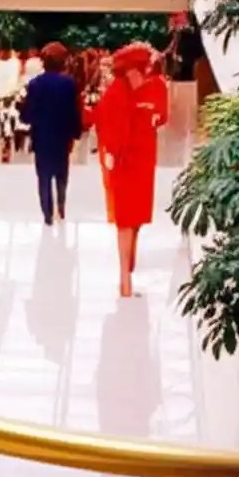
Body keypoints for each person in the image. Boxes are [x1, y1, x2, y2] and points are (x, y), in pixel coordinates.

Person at [93, 43, 167, 298]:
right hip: (124, 164)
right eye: (141, 69)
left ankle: (129, 269)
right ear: (130, 71)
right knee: (125, 219)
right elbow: (106, 128)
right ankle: (125, 279)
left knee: (136, 218)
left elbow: (162, 115)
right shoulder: (115, 94)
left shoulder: (154, 86)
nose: (145, 74)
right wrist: (112, 155)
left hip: (144, 163)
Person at [20, 43, 81, 225]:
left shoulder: (35, 84)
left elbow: (27, 114)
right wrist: (75, 132)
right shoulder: (70, 84)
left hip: (42, 137)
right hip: (62, 137)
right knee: (62, 173)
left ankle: (47, 213)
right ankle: (61, 207)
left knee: (43, 176)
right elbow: (74, 111)